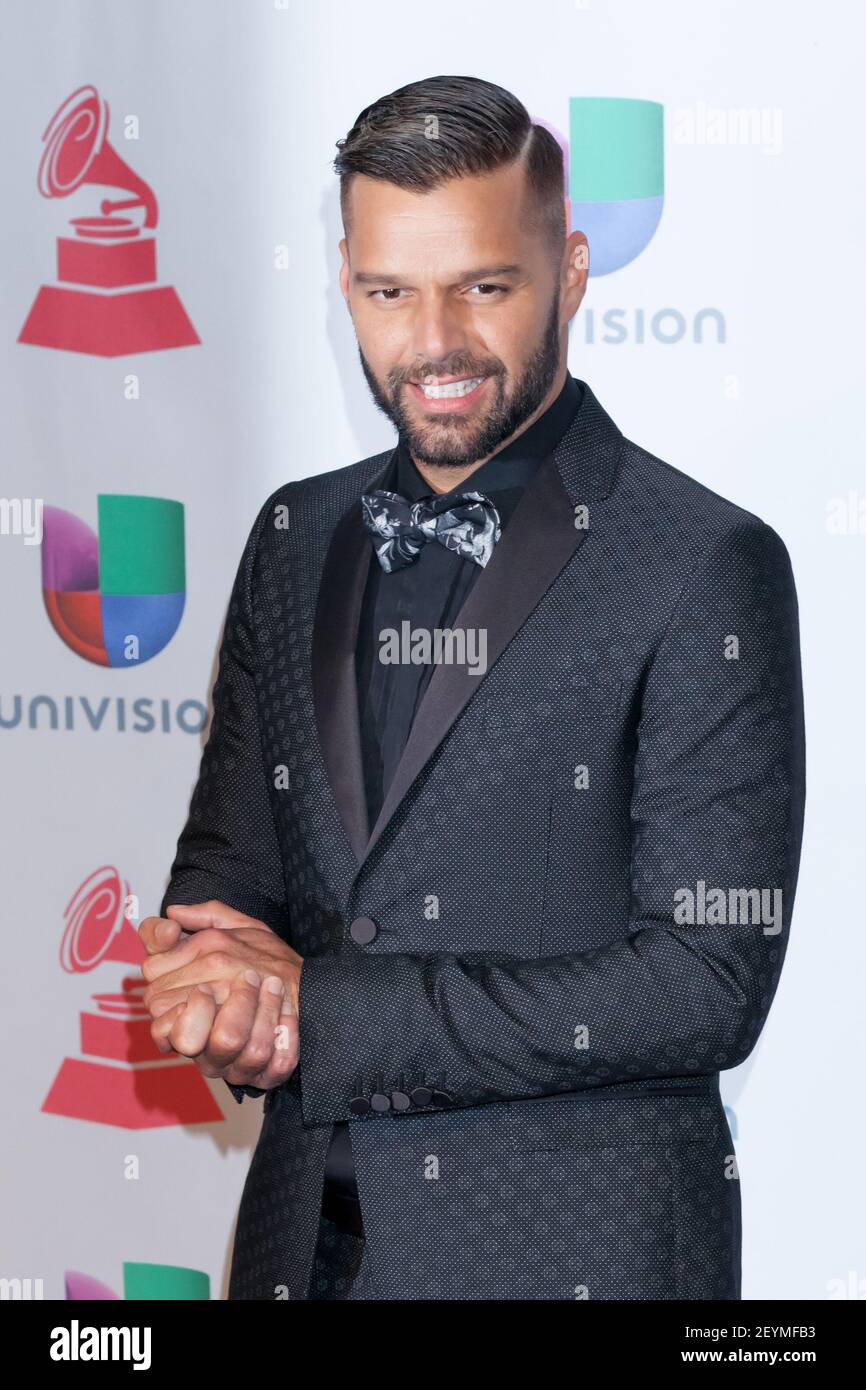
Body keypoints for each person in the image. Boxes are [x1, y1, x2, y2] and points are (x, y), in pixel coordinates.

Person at [139, 74, 805, 1301]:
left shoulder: (700, 563)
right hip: (301, 1258)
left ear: (572, 267)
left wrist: (328, 1014)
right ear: (344, 279)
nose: (432, 342)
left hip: (566, 1263)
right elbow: (229, 884)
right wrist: (217, 986)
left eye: (481, 287)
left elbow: (704, 982)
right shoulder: (294, 535)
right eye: (390, 291)